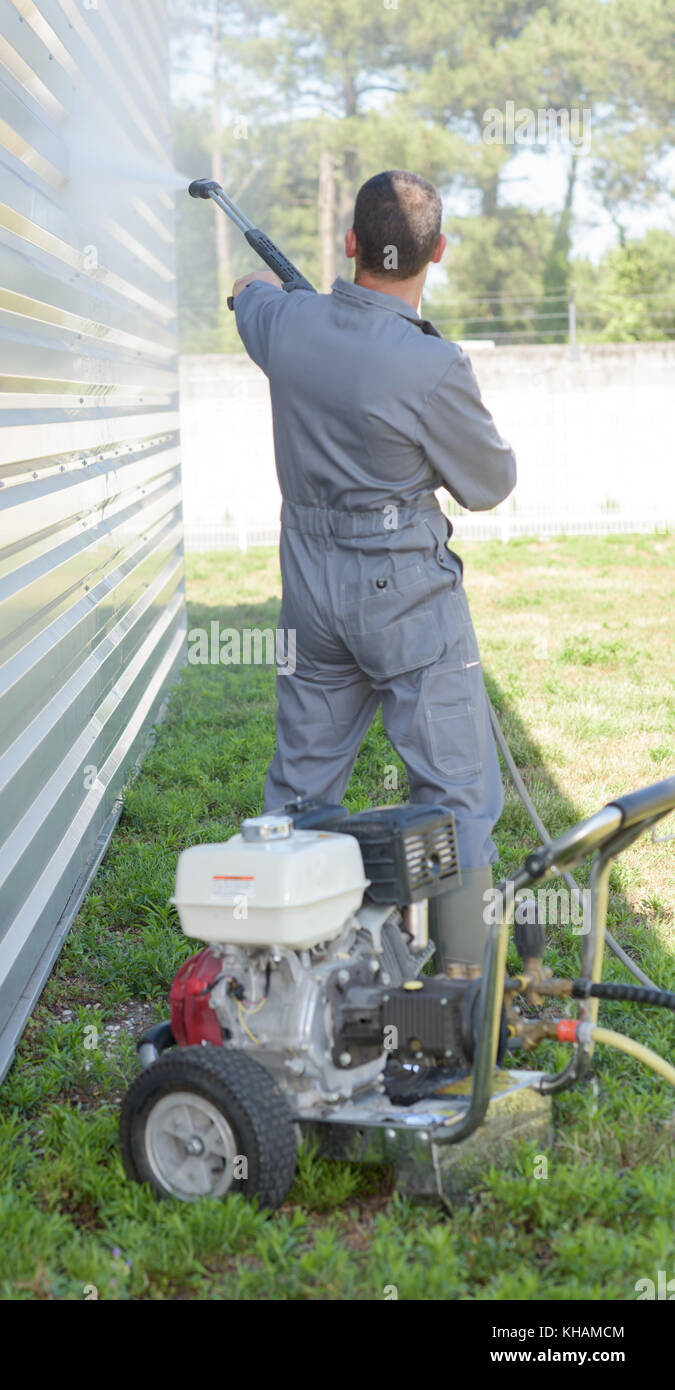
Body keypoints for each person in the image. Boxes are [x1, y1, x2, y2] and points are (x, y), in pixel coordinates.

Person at [231, 170, 517, 972]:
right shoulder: (431, 365)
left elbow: (247, 292)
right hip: (404, 598)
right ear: (438, 252)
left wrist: (256, 284)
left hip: (310, 593)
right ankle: (460, 1001)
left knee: (299, 792)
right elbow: (489, 485)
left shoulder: (283, 326)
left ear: (351, 243)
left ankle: (287, 981)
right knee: (455, 795)